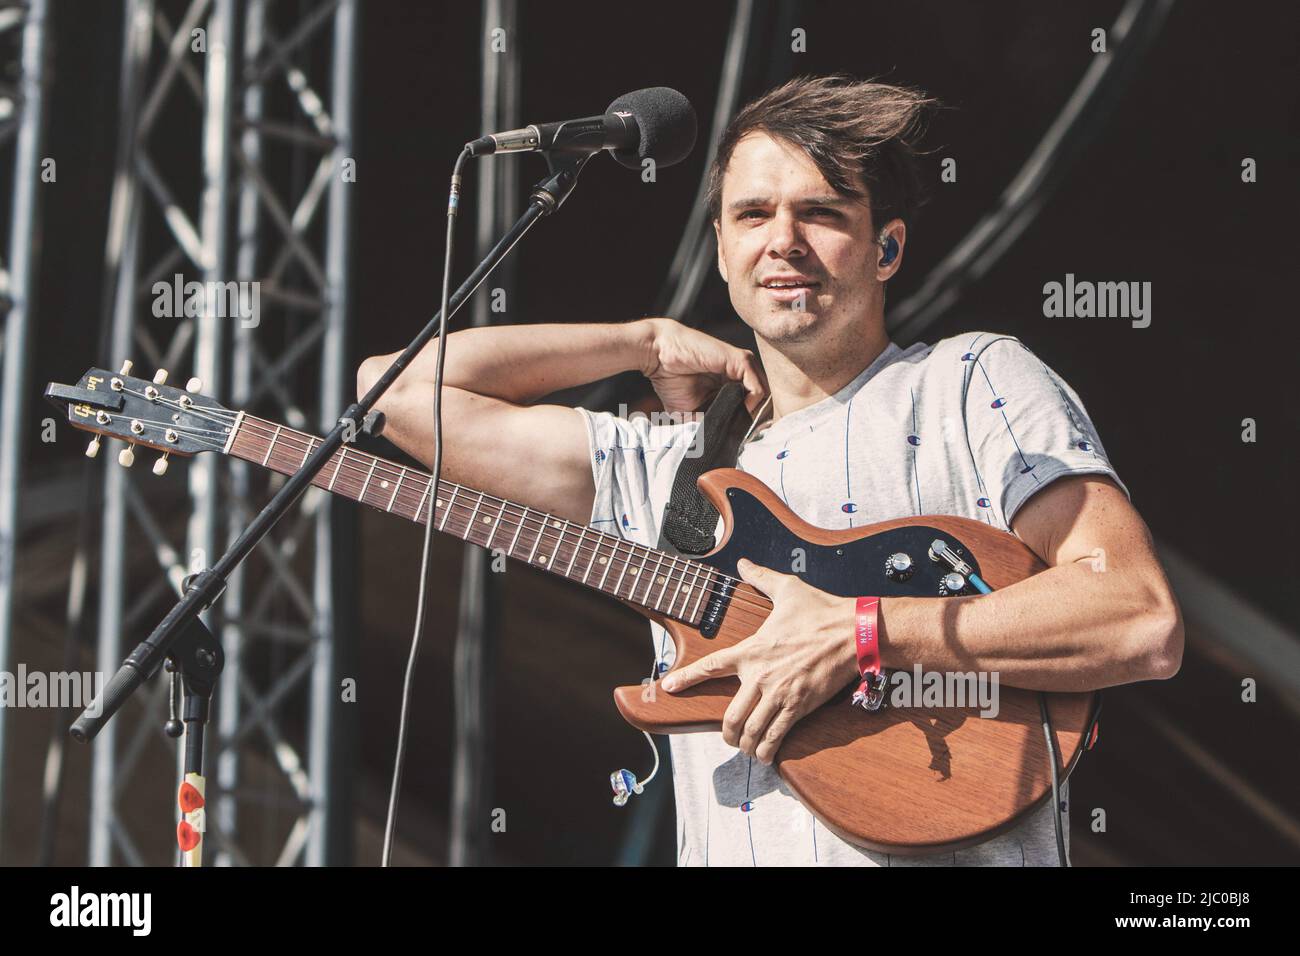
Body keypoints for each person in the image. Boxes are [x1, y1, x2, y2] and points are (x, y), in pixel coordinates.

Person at [356, 74, 1183, 866]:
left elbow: (1137, 616)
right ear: (720, 247)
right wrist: (640, 339)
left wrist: (867, 634)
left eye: (819, 212)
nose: (782, 240)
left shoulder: (971, 382)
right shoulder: (677, 466)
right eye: (752, 214)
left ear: (886, 247)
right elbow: (394, 395)